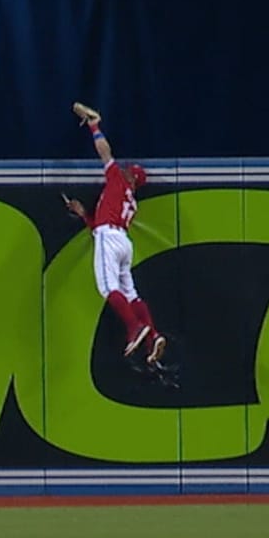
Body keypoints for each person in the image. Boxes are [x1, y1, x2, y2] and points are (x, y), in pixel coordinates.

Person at [61, 103, 168, 367]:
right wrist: (84, 213)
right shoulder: (132, 202)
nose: (123, 169)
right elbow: (100, 225)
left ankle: (134, 328)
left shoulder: (119, 181)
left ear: (131, 177)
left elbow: (104, 152)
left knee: (108, 288)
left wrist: (95, 126)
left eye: (128, 171)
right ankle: (152, 335)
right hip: (121, 240)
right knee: (130, 293)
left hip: (110, 237)